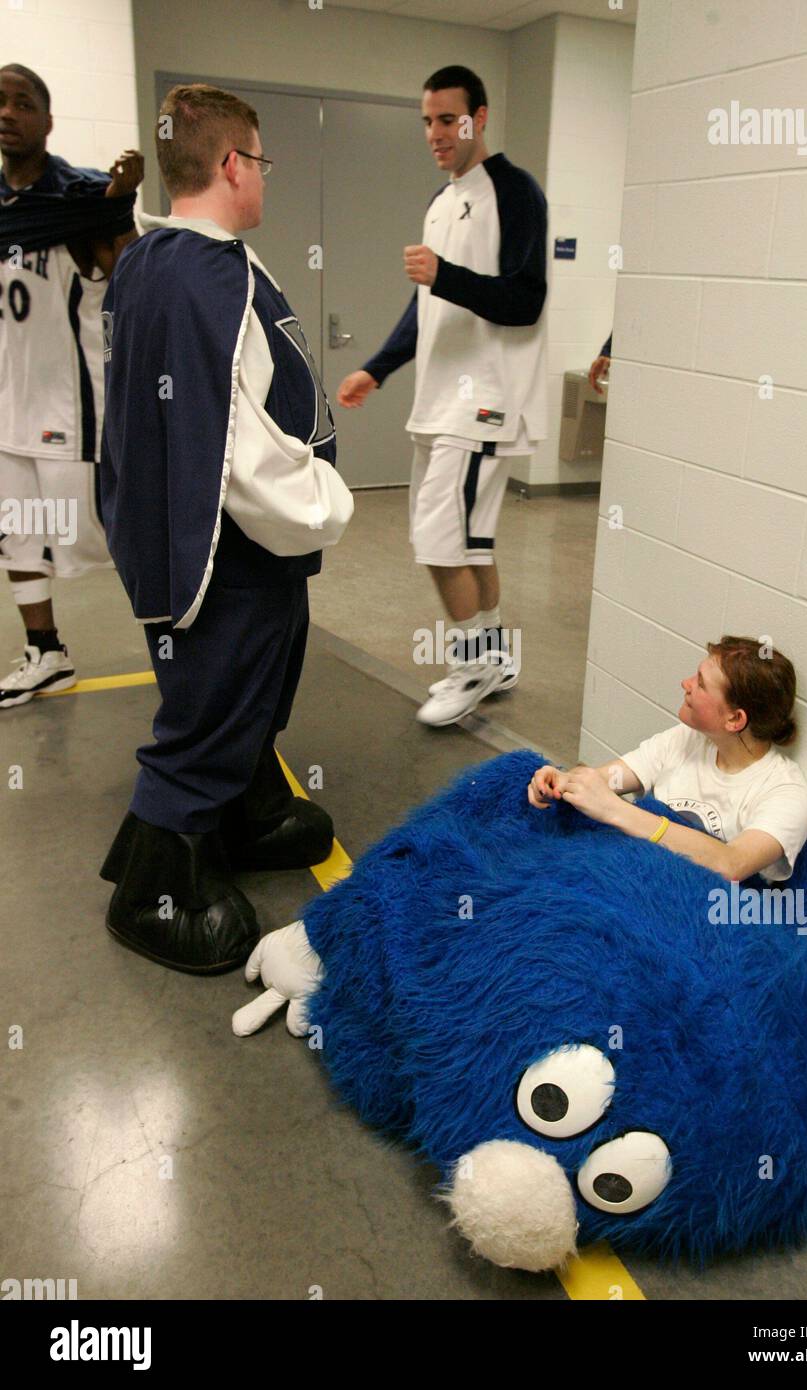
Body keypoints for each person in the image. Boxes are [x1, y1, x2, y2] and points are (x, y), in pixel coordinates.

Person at [97, 83, 353, 975]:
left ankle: (244, 815)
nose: (264, 182)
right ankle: (153, 892)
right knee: (209, 710)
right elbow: (234, 450)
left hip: (199, 541)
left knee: (250, 692)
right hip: (231, 548)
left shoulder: (153, 261)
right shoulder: (213, 278)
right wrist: (326, 501)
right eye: (263, 163)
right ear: (234, 163)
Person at [336, 64, 548, 727]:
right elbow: (425, 302)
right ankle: (493, 655)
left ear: (478, 119)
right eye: (426, 119)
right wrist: (377, 367)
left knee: (438, 542)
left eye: (447, 119)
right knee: (469, 544)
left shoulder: (513, 193)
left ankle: (470, 667)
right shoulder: (441, 198)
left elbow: (525, 298)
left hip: (483, 400)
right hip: (438, 400)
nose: (435, 132)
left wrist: (447, 275)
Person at [0, 63, 141, 707]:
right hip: (9, 413)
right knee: (20, 537)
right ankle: (47, 652)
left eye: (22, 103)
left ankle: (184, 641)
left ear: (48, 121)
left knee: (116, 539)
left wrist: (118, 210)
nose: (7, 113)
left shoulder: (84, 198)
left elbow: (133, 273)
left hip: (73, 414)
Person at [529, 636, 807, 884]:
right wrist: (562, 782)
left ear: (735, 719)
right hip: (634, 872)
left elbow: (732, 864)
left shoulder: (786, 792)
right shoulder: (686, 739)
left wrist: (614, 810)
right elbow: (608, 779)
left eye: (700, 684)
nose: (685, 684)